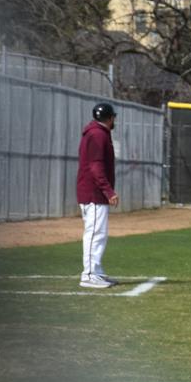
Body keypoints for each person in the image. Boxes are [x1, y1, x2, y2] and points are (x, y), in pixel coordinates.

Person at [77, 102, 120, 289]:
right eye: (113, 117)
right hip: (93, 193)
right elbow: (96, 167)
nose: (114, 120)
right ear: (109, 118)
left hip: (95, 193)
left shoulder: (99, 133)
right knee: (94, 234)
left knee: (99, 234)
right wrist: (108, 191)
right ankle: (88, 275)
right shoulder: (97, 134)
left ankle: (97, 272)